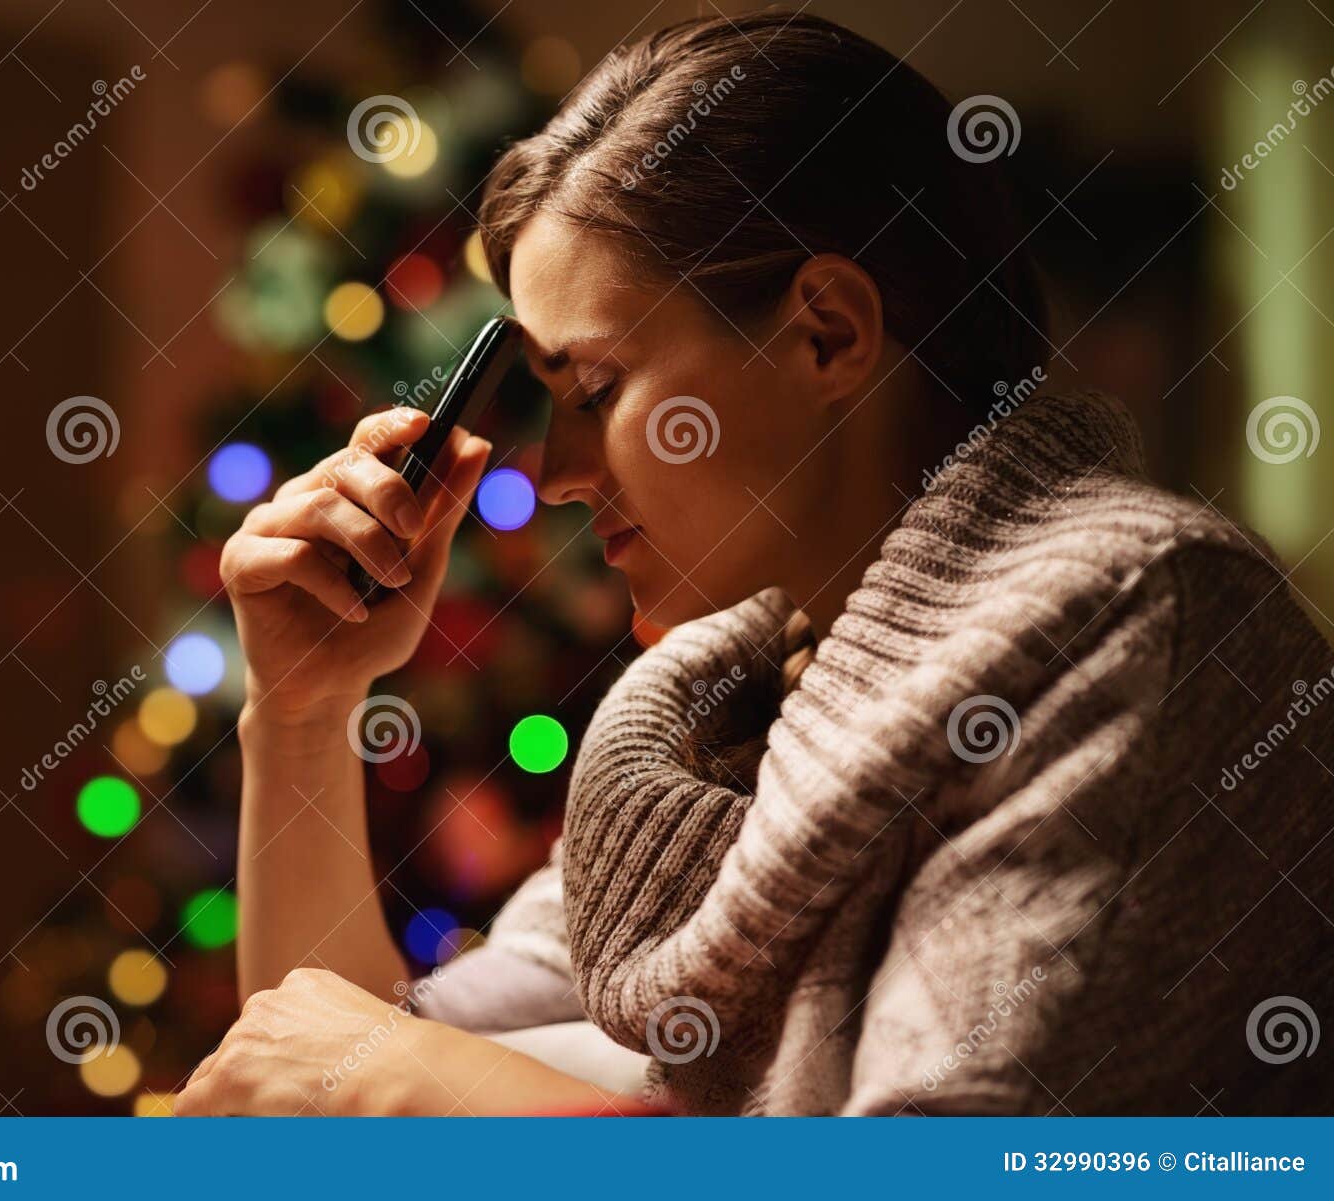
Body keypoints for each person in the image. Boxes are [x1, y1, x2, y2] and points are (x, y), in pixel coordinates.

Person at [173, 11, 1334, 1116]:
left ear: (827, 331)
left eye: (592, 390)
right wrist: (304, 710)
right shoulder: (715, 715)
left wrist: (412, 1085)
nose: (561, 469)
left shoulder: (1135, 615)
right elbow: (319, 1073)